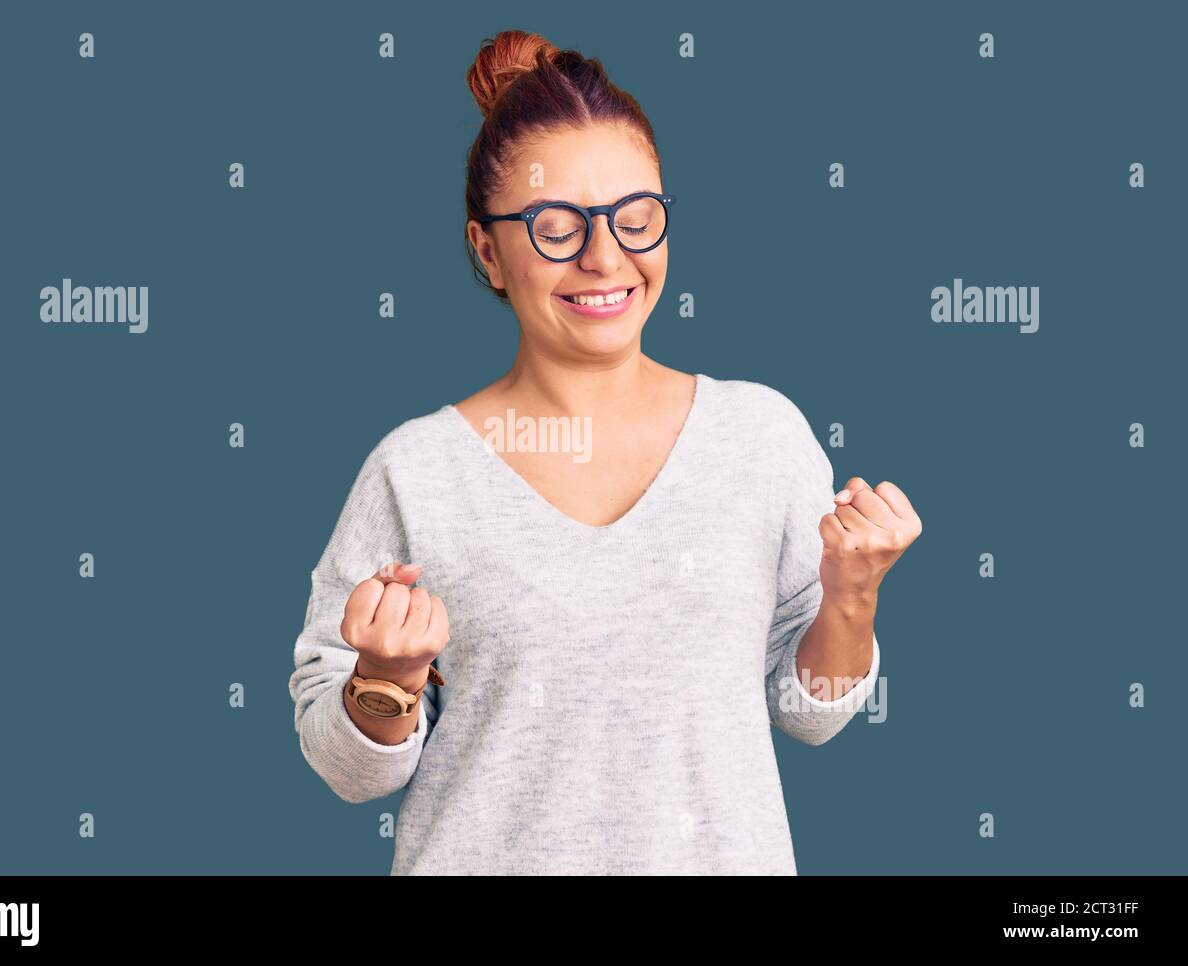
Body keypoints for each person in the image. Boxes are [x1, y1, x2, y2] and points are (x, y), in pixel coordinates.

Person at [287, 29, 922, 875]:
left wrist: (852, 595)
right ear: (487, 250)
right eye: (555, 226)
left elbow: (813, 715)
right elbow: (345, 771)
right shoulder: (417, 472)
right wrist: (386, 676)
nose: (604, 256)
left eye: (636, 218)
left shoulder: (760, 437)